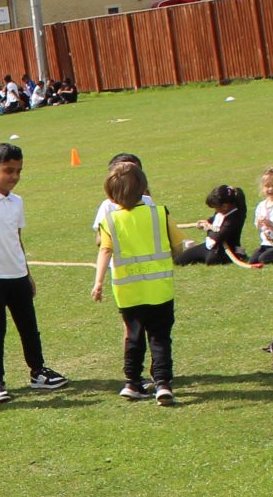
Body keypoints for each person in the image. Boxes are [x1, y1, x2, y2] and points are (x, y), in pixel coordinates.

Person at [0, 142, 68, 403]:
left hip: (16, 276)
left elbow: (16, 238)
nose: (14, 177)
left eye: (18, 171)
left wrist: (27, 273)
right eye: (8, 171)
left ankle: (38, 372)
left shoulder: (17, 202)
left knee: (29, 327)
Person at [92, 160, 180, 403]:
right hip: (159, 288)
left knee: (133, 335)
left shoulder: (109, 221)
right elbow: (178, 245)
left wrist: (98, 282)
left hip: (128, 290)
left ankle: (132, 382)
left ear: (110, 195)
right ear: (144, 188)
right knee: (160, 336)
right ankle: (162, 383)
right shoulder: (159, 213)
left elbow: (104, 251)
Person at [192, 185, 254, 267]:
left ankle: (240, 254)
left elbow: (219, 236)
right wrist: (207, 221)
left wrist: (207, 228)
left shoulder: (234, 218)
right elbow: (215, 218)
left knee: (211, 261)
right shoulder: (222, 210)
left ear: (225, 206)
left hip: (225, 250)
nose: (215, 210)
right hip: (211, 247)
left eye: (216, 208)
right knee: (180, 260)